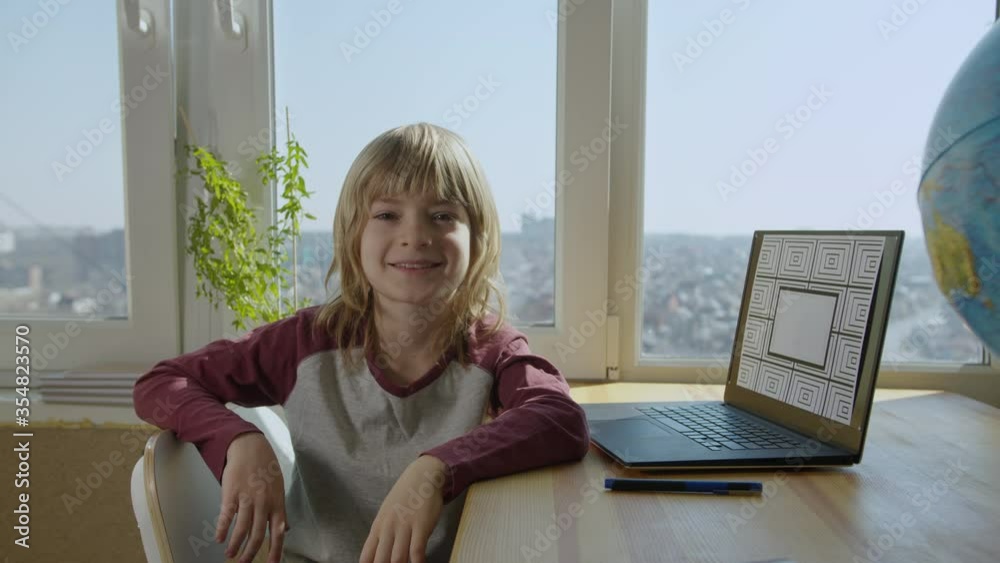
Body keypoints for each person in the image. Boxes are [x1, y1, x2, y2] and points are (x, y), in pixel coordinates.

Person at [132, 122, 591, 563]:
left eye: (443, 216)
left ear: (478, 238)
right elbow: (162, 382)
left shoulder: (493, 350)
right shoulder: (304, 342)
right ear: (354, 235)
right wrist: (237, 439)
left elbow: (560, 418)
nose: (415, 236)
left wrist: (436, 470)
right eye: (387, 215)